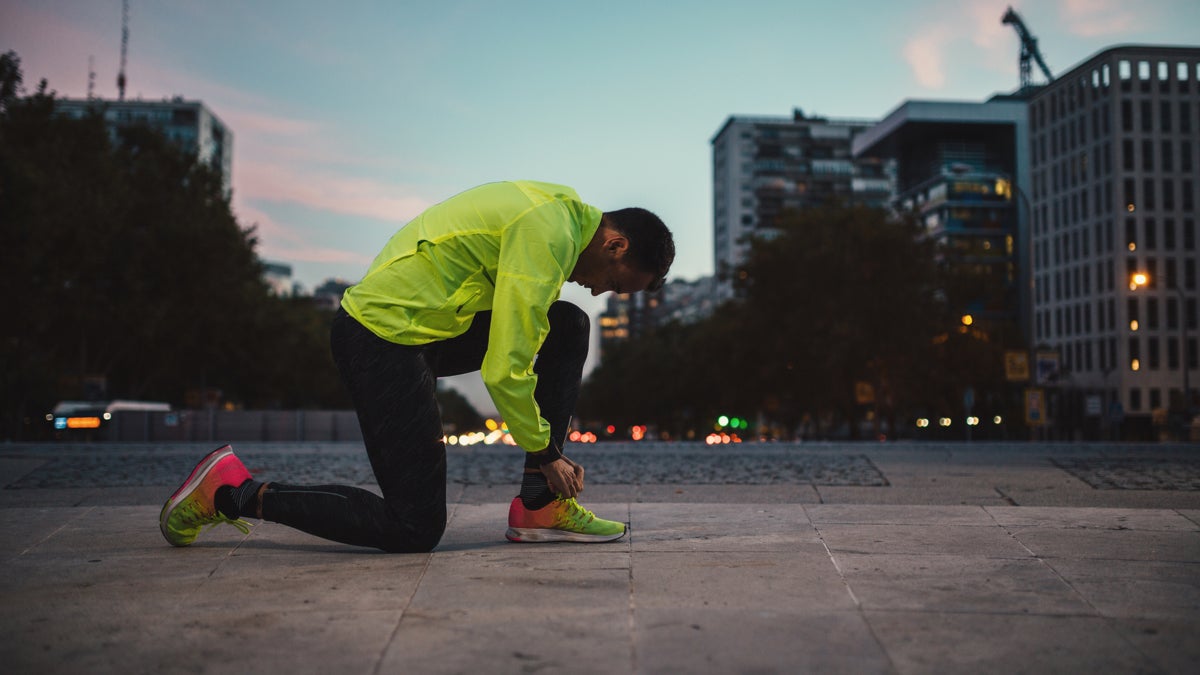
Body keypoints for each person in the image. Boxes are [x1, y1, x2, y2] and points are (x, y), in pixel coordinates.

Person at [159, 180, 674, 552]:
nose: (602, 290)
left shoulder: (560, 216)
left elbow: (524, 334)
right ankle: (229, 492)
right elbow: (505, 365)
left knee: (568, 324)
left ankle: (540, 507)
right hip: (380, 337)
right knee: (413, 528)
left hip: (431, 329)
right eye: (618, 281)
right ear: (616, 244)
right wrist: (546, 453)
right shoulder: (549, 232)